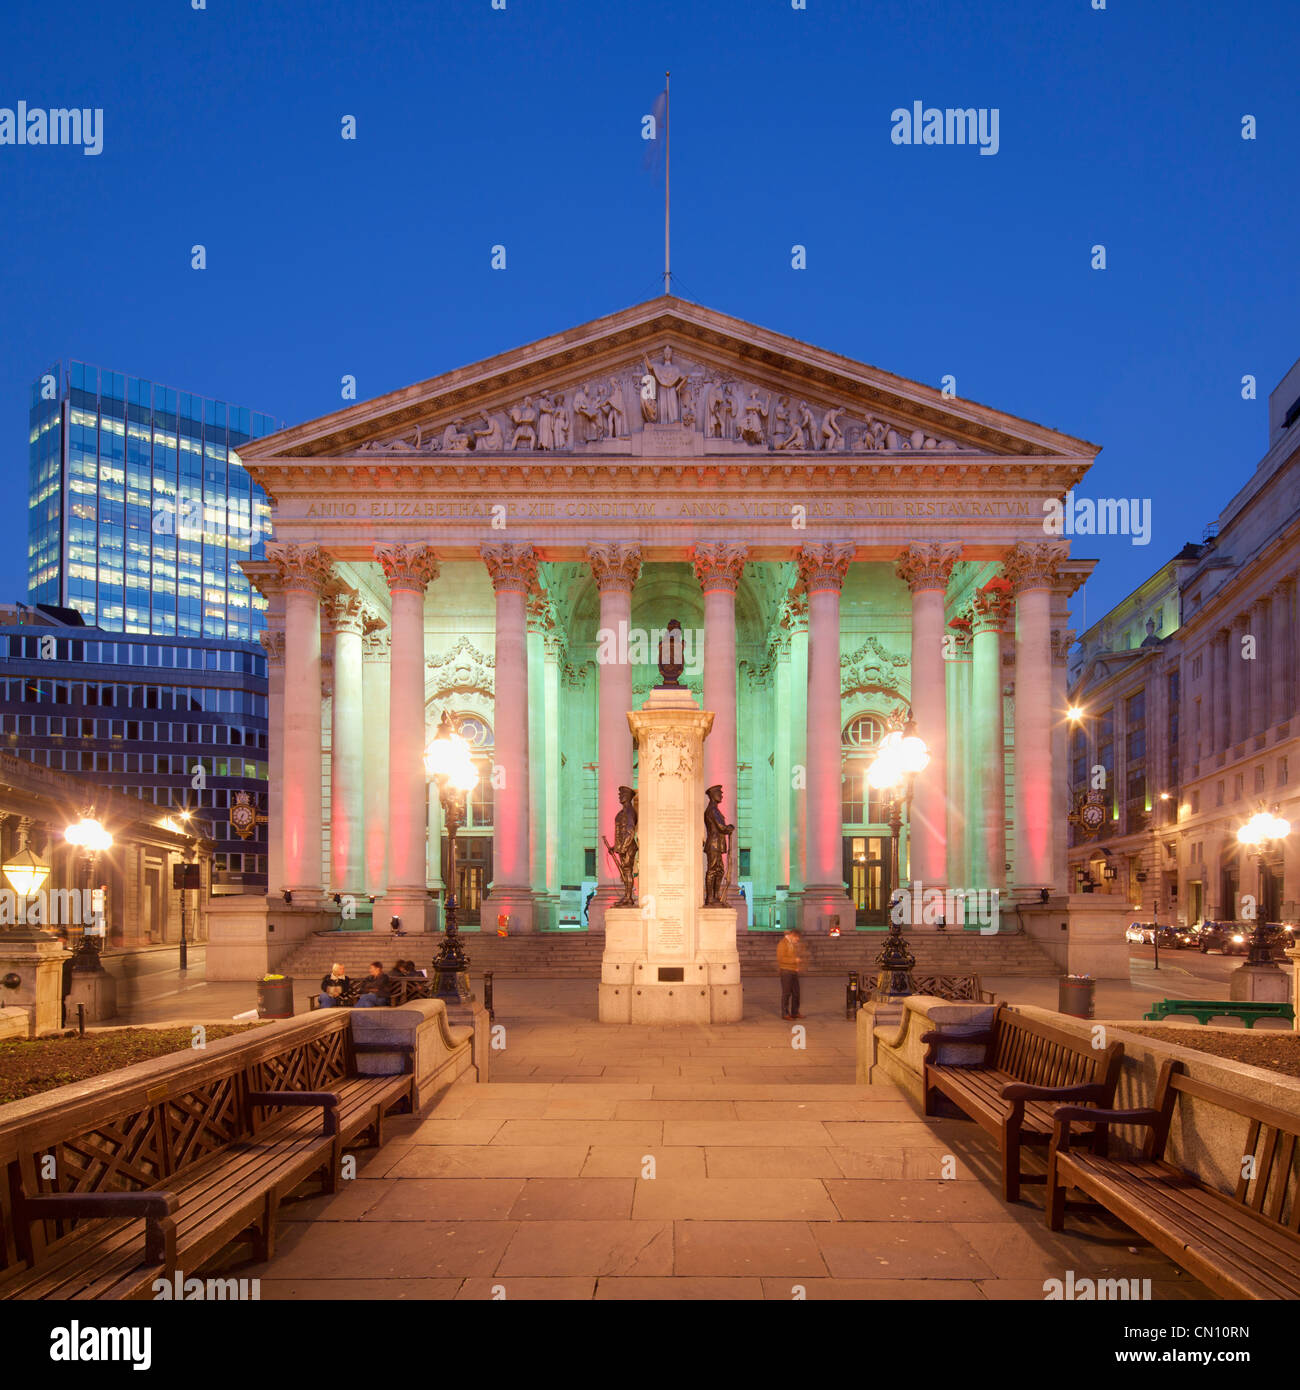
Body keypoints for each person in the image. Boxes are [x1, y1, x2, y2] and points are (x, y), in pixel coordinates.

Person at [776, 927, 808, 1020]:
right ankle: (785, 1013)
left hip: (793, 971)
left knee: (796, 993)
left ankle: (795, 1012)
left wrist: (796, 966)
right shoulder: (782, 944)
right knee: (786, 993)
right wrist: (794, 960)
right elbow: (781, 959)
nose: (797, 940)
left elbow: (793, 955)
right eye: (796, 938)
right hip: (785, 971)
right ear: (792, 935)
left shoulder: (791, 944)